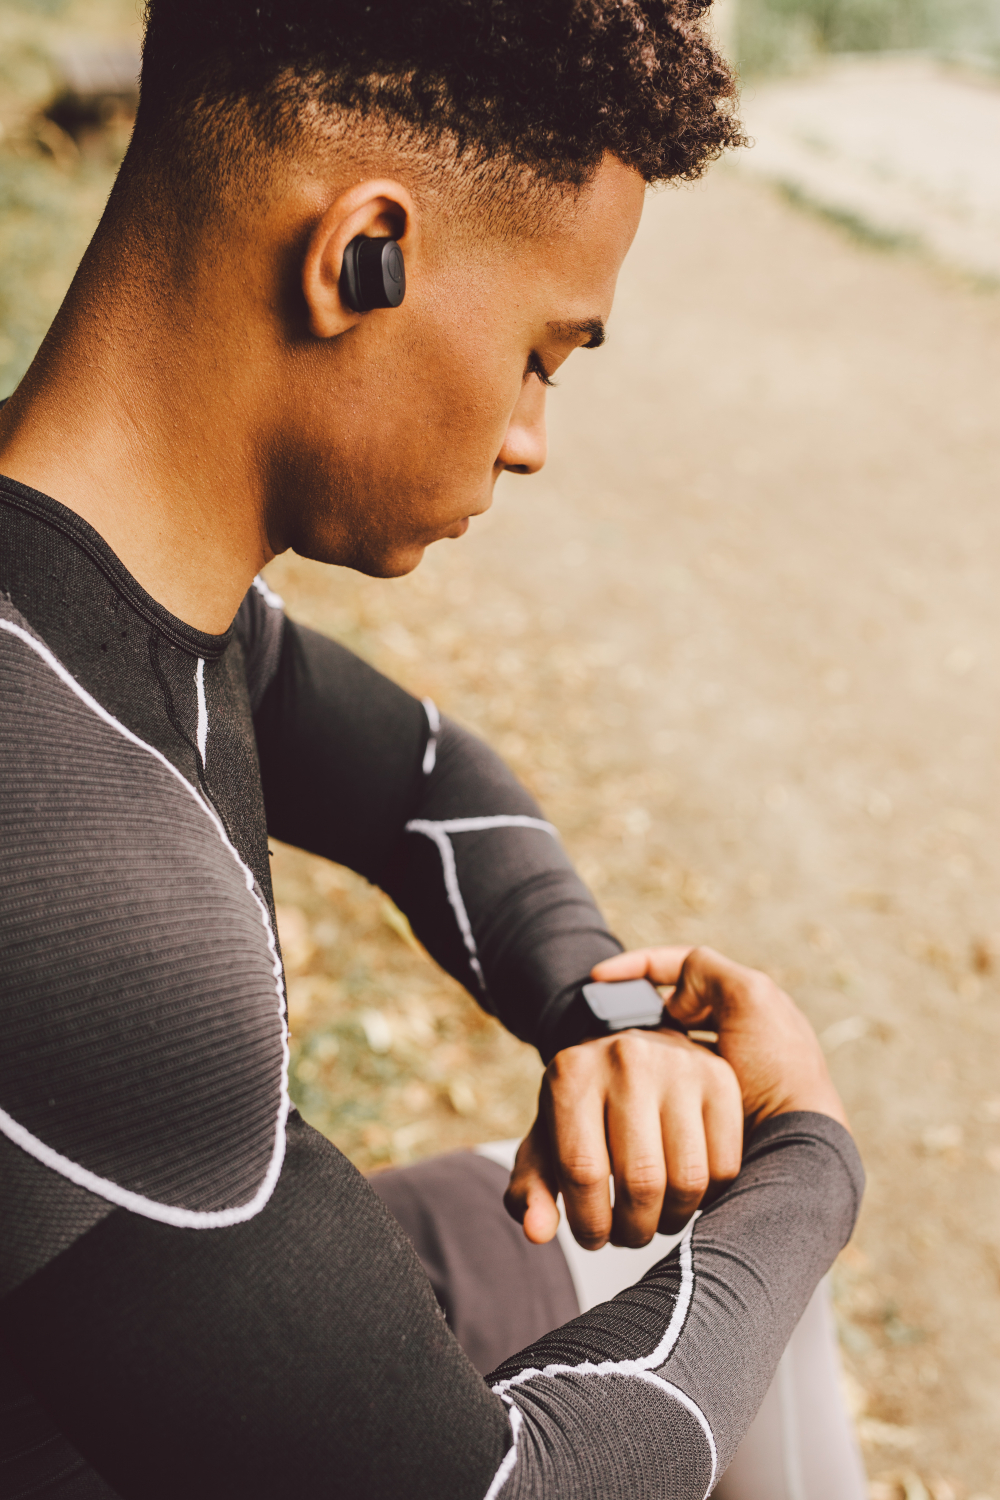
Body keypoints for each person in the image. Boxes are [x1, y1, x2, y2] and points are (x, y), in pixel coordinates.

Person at [0, 0, 865, 1495]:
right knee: (751, 1256)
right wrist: (812, 1156)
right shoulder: (79, 867)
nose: (531, 437)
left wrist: (600, 1013)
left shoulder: (89, 597)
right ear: (361, 257)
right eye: (542, 355)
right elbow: (509, 1486)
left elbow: (424, 779)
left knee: (721, 1271)